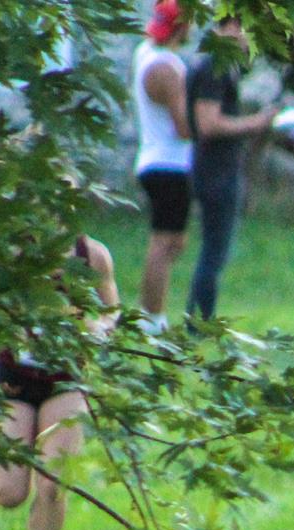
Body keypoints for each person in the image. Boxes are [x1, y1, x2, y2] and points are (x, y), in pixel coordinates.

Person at [0, 235, 120, 530]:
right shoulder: (10, 252)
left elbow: (112, 311)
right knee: (10, 494)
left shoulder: (93, 256)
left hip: (66, 379)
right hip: (16, 378)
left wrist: (99, 327)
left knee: (54, 483)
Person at [186, 16, 276, 321]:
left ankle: (198, 320)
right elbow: (208, 124)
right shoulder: (216, 68)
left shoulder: (221, 68)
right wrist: (257, 122)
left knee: (214, 252)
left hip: (217, 169)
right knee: (214, 253)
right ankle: (198, 324)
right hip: (216, 172)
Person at [132, 0, 194, 329]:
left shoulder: (144, 53)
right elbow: (184, 127)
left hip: (156, 160)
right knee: (164, 242)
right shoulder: (167, 68)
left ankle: (152, 312)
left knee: (173, 242)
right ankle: (151, 318)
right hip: (169, 163)